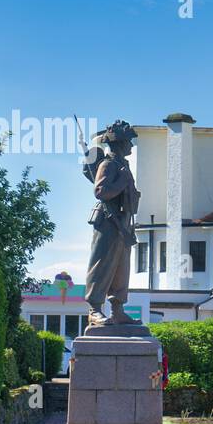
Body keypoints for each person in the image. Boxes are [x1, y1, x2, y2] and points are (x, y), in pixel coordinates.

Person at [83, 119, 141, 327]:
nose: (131, 145)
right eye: (128, 141)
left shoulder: (123, 165)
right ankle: (94, 309)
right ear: (120, 143)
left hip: (123, 222)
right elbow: (100, 191)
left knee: (121, 268)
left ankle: (118, 310)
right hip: (108, 221)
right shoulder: (107, 164)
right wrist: (121, 182)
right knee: (102, 264)